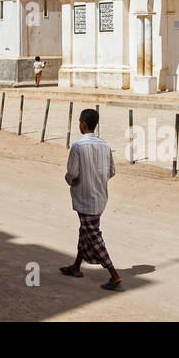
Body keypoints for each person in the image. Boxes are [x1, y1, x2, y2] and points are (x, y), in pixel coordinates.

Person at [60, 108, 122, 289]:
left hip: (85, 199)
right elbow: (111, 171)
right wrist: (97, 180)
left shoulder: (78, 146)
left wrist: (71, 181)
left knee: (93, 236)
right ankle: (76, 267)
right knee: (86, 231)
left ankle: (114, 274)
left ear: (83, 124)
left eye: (79, 121)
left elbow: (72, 173)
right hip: (100, 197)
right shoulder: (106, 145)